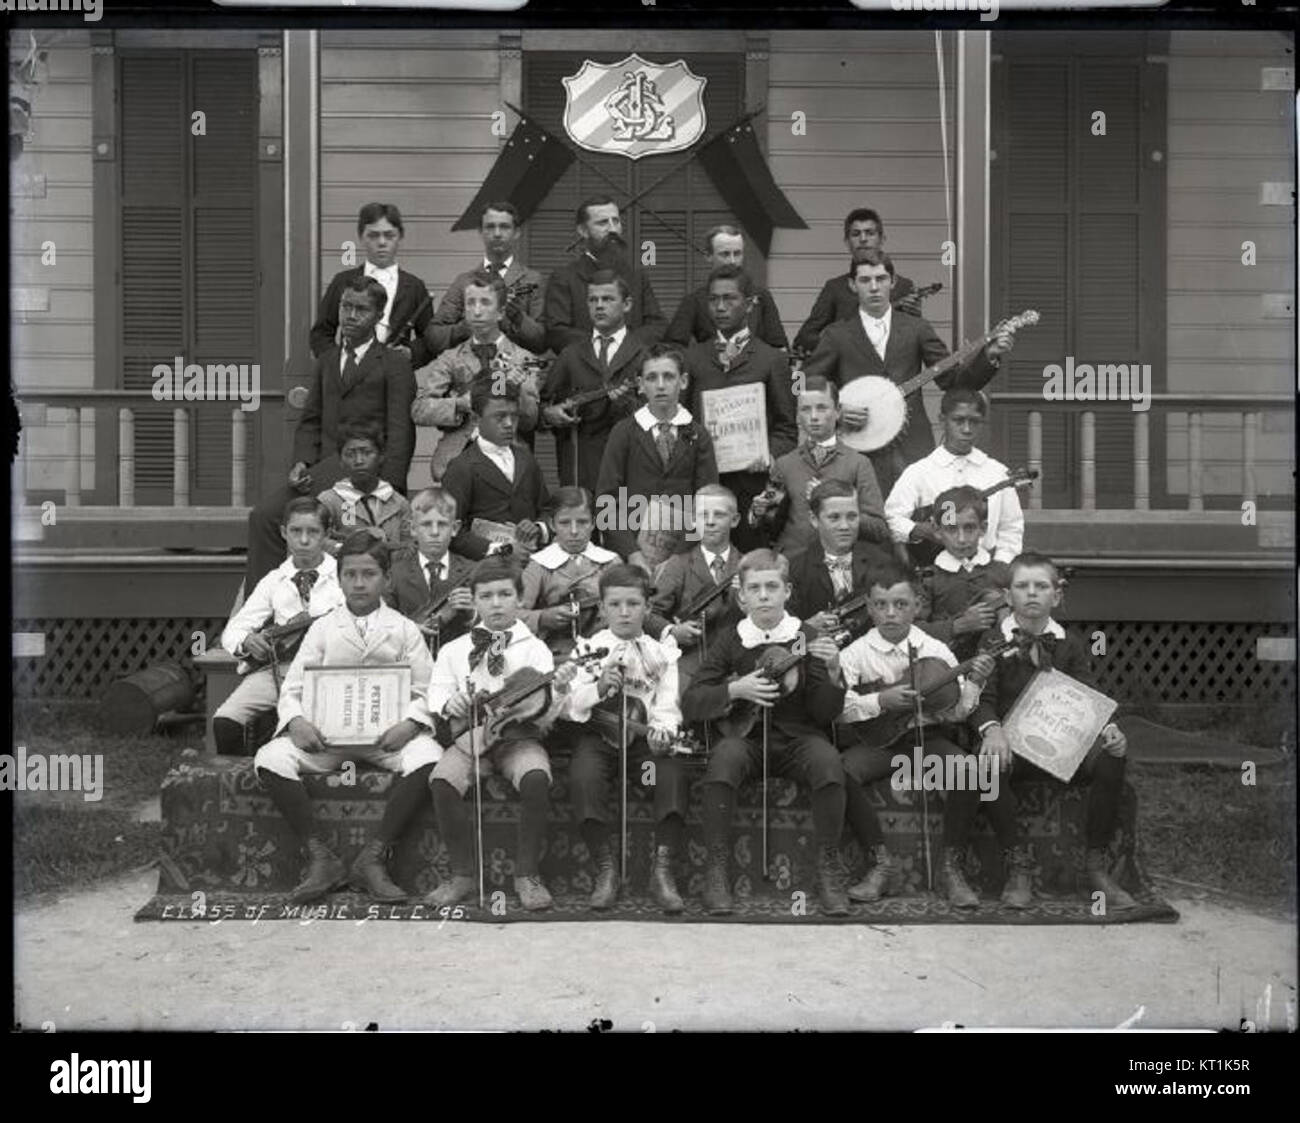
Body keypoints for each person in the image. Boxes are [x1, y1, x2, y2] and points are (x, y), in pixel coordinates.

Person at [252, 532, 442, 904]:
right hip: (328, 738)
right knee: (270, 758)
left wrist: (409, 725)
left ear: (386, 579)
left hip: (386, 740)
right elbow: (293, 688)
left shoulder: (404, 629)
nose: (359, 583)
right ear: (338, 579)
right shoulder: (322, 628)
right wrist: (297, 723)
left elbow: (426, 689)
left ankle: (374, 857)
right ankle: (321, 858)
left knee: (431, 758)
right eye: (350, 574)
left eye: (369, 574)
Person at [681, 548, 853, 916]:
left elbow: (826, 712)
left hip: (798, 739)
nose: (763, 596)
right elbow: (692, 701)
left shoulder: (805, 636)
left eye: (771, 587)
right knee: (723, 759)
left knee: (828, 762)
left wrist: (835, 673)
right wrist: (734, 690)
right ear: (741, 596)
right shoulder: (730, 639)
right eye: (754, 588)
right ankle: (716, 870)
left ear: (787, 591)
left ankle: (828, 868)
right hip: (747, 740)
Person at [972, 552, 1136, 911]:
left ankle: (1096, 864)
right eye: (1022, 586)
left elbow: (1087, 693)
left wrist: (1109, 728)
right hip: (1013, 746)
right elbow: (982, 698)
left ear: (1056, 596)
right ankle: (1017, 865)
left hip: (1062, 746)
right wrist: (992, 729)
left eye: (1041, 586)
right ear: (1008, 595)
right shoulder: (992, 640)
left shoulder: (1070, 643)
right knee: (985, 767)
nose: (1032, 593)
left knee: (1111, 754)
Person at [834, 561, 994, 904]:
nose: (891, 613)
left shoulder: (935, 650)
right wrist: (881, 699)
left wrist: (975, 682)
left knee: (969, 772)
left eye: (901, 604)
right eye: (880, 605)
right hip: (880, 744)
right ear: (869, 606)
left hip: (928, 742)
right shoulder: (855, 653)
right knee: (840, 771)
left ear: (917, 605)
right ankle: (880, 863)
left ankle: (952, 867)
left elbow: (957, 711)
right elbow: (839, 709)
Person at [424, 555, 577, 912]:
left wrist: (561, 689)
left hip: (517, 738)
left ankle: (527, 873)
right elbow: (437, 692)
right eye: (487, 595)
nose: (496, 603)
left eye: (505, 594)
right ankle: (463, 873)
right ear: (474, 600)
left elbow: (544, 713)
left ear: (520, 600)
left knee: (536, 777)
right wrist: (453, 704)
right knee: (442, 781)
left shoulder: (535, 649)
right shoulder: (454, 649)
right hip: (470, 739)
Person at [244, 274, 416, 589]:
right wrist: (301, 462)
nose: (350, 316)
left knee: (324, 530)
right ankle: (264, 601)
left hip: (364, 472)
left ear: (378, 316)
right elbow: (311, 419)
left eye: (360, 309)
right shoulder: (327, 361)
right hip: (321, 469)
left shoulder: (393, 364)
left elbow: (401, 431)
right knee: (265, 517)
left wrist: (391, 488)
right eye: (345, 307)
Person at [802, 250, 1014, 496]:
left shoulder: (917, 329)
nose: (874, 287)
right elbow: (803, 383)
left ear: (893, 282)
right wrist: (837, 410)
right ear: (852, 285)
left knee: (918, 521)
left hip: (912, 447)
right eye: (865, 280)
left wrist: (990, 355)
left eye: (881, 279)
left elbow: (954, 382)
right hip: (858, 449)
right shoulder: (836, 334)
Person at [560, 564, 690, 912]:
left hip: (641, 746)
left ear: (648, 608)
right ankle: (606, 869)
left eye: (633, 603)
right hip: (599, 738)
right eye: (615, 604)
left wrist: (663, 732)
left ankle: (662, 871)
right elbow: (569, 705)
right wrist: (598, 688)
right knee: (586, 776)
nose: (624, 612)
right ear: (602, 608)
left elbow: (667, 701)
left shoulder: (662, 652)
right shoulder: (589, 648)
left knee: (668, 774)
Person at [214, 498, 345, 756]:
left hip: (330, 671)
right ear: (284, 533)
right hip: (279, 672)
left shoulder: (345, 575)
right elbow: (235, 629)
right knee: (225, 722)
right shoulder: (274, 580)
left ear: (327, 534)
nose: (304, 540)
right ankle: (243, 785)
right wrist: (247, 640)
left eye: (313, 532)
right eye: (296, 531)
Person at [684, 265, 798, 549]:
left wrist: (769, 455)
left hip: (752, 488)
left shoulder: (772, 360)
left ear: (749, 304)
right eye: (713, 300)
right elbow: (683, 421)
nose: (720, 307)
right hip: (704, 486)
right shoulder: (692, 359)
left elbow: (787, 428)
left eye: (729, 299)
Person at [594, 344, 719, 568]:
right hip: (630, 556)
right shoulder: (624, 432)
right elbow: (606, 502)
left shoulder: (698, 435)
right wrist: (631, 553)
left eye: (669, 377)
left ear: (683, 381)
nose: (661, 385)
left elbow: (708, 504)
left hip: (684, 557)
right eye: (652, 378)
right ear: (640, 385)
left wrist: (678, 557)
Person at [412, 272, 541, 481]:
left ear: (500, 313)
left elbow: (530, 421)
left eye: (485, 303)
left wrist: (517, 393)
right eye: (470, 303)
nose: (477, 311)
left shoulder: (521, 359)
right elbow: (420, 410)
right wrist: (460, 404)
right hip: (457, 461)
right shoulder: (451, 358)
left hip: (508, 462)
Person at [885, 387, 1025, 566]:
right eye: (958, 420)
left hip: (986, 570)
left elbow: (1011, 528)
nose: (966, 429)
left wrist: (1000, 566)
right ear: (942, 420)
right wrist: (920, 530)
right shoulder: (919, 472)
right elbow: (891, 517)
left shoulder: (997, 473)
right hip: (934, 570)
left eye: (974, 422)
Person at [750, 374, 888, 555]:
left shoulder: (858, 464)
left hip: (842, 565)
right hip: (792, 564)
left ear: (838, 411)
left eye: (822, 408)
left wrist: (839, 509)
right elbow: (771, 525)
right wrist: (758, 513)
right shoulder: (784, 465)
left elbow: (878, 529)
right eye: (806, 409)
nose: (814, 416)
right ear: (798, 415)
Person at [541, 270, 646, 498]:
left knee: (623, 532)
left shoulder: (644, 355)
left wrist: (627, 404)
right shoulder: (570, 354)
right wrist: (550, 414)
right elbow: (544, 404)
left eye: (607, 299)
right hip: (580, 469)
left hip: (630, 469)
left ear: (627, 304)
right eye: (593, 300)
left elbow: (660, 414)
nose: (599, 306)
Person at [311, 202, 434, 368]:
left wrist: (410, 353)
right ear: (361, 237)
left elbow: (429, 339)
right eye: (373, 235)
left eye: (389, 235)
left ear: (400, 238)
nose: (382, 242)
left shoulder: (415, 287)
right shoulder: (342, 281)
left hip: (395, 379)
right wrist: (337, 364)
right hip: (348, 380)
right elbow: (321, 333)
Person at [644, 484, 744, 682]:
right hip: (689, 669)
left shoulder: (749, 566)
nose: (710, 522)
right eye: (702, 515)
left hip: (738, 669)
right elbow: (648, 613)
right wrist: (672, 631)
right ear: (692, 520)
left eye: (719, 515)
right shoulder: (677, 566)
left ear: (735, 520)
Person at [441, 381, 551, 560]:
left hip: (531, 566)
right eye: (499, 417)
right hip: (482, 570)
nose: (509, 424)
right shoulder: (461, 467)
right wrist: (500, 550)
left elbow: (546, 509)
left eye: (514, 416)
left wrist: (538, 528)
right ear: (476, 419)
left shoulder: (527, 459)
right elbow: (450, 530)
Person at [542, 195, 664, 354]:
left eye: (616, 221)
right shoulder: (564, 277)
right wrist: (603, 346)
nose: (613, 229)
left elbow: (657, 326)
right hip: (583, 368)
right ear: (583, 231)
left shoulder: (637, 276)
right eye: (603, 223)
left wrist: (623, 346)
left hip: (632, 365)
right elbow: (557, 332)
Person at [791, 208, 919, 354]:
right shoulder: (835, 288)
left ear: (882, 239)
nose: (863, 239)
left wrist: (916, 318)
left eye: (870, 233)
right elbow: (804, 338)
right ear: (847, 242)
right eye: (856, 234)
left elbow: (914, 342)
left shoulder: (903, 286)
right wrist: (841, 344)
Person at [425, 201, 546, 354]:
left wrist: (517, 316)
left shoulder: (533, 280)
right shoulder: (464, 281)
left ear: (517, 233)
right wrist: (467, 326)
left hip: (518, 370)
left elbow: (542, 342)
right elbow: (433, 338)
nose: (497, 233)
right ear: (480, 232)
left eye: (504, 227)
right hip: (470, 371)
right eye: (490, 227)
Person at [519, 486, 619, 660]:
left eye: (582, 522)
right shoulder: (539, 566)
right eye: (564, 523)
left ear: (593, 523)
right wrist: (542, 618)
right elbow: (512, 614)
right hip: (555, 656)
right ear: (552, 524)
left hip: (607, 653)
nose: (574, 531)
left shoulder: (610, 563)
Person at [914, 485, 1012, 663]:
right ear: (937, 530)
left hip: (997, 666)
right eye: (951, 529)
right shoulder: (927, 579)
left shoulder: (1003, 572)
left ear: (983, 528)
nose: (961, 539)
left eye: (969, 528)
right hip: (945, 667)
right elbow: (912, 629)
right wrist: (956, 626)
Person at [787, 479, 894, 635]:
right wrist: (807, 630)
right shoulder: (794, 570)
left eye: (852, 516)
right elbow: (784, 646)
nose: (845, 526)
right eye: (834, 517)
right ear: (814, 520)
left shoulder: (882, 562)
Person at [664, 225, 787, 349]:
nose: (733, 261)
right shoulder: (695, 300)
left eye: (737, 253)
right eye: (725, 254)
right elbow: (673, 346)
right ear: (708, 256)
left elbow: (778, 345)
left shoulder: (761, 296)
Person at [385, 487, 476, 650]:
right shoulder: (394, 574)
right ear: (412, 528)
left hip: (459, 665)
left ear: (454, 528)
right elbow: (381, 626)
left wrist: (473, 614)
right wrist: (410, 630)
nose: (434, 532)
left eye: (442, 524)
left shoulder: (473, 572)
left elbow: (495, 625)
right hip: (411, 661)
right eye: (426, 524)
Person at [317, 422, 413, 556]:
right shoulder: (329, 501)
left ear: (381, 457)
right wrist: (350, 546)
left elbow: (410, 545)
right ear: (341, 461)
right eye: (350, 454)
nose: (359, 461)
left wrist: (389, 547)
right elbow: (315, 541)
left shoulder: (398, 503)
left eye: (367, 453)